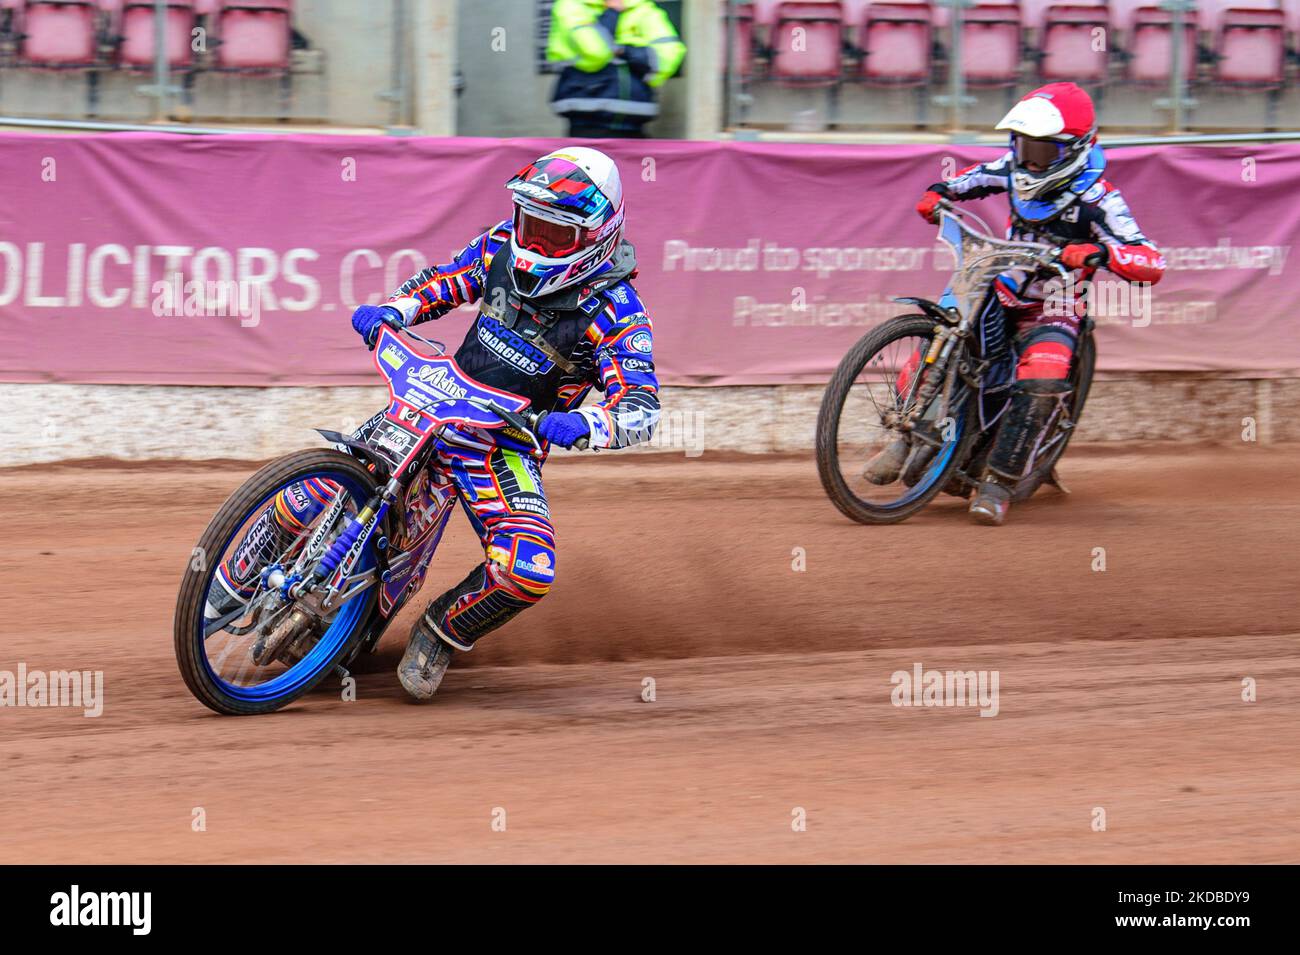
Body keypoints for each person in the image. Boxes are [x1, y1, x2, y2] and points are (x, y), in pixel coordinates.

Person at [208, 147, 660, 700]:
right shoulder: (500, 244)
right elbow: (445, 280)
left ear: (595, 237)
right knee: (312, 488)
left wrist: (586, 424)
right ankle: (224, 586)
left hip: (503, 444)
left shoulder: (619, 313)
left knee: (529, 569)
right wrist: (395, 310)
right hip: (431, 398)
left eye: (552, 233)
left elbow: (642, 409)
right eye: (530, 223)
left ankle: (443, 629)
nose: (533, 241)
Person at [865, 82, 1166, 526]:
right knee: (945, 327)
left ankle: (998, 483)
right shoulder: (1011, 167)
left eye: (1042, 151)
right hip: (1000, 283)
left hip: (1055, 305)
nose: (1029, 159)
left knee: (1043, 375)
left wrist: (1102, 254)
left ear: (1074, 150)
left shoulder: (1101, 200)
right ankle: (906, 440)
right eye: (1024, 145)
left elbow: (1150, 260)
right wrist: (939, 194)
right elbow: (969, 180)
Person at [546, 0, 686, 138]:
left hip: (636, 118)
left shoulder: (645, 8)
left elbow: (668, 59)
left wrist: (623, 50)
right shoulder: (571, 4)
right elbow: (596, 51)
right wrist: (613, 12)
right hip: (588, 119)